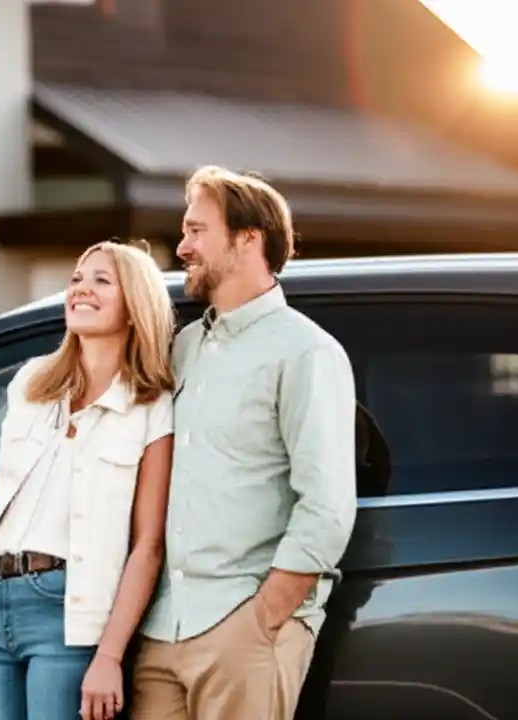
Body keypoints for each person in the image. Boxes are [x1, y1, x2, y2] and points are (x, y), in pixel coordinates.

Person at [129, 165, 359, 720]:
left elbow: (326, 504)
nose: (182, 246)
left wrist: (266, 615)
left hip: (244, 625)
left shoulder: (305, 352)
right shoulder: (183, 347)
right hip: (162, 629)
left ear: (248, 239)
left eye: (196, 230)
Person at [0, 239, 177, 720]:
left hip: (67, 607)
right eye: (77, 280)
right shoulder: (32, 383)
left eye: (102, 281)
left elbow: (148, 545)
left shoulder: (150, 405)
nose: (81, 290)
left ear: (134, 307)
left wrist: (109, 655)